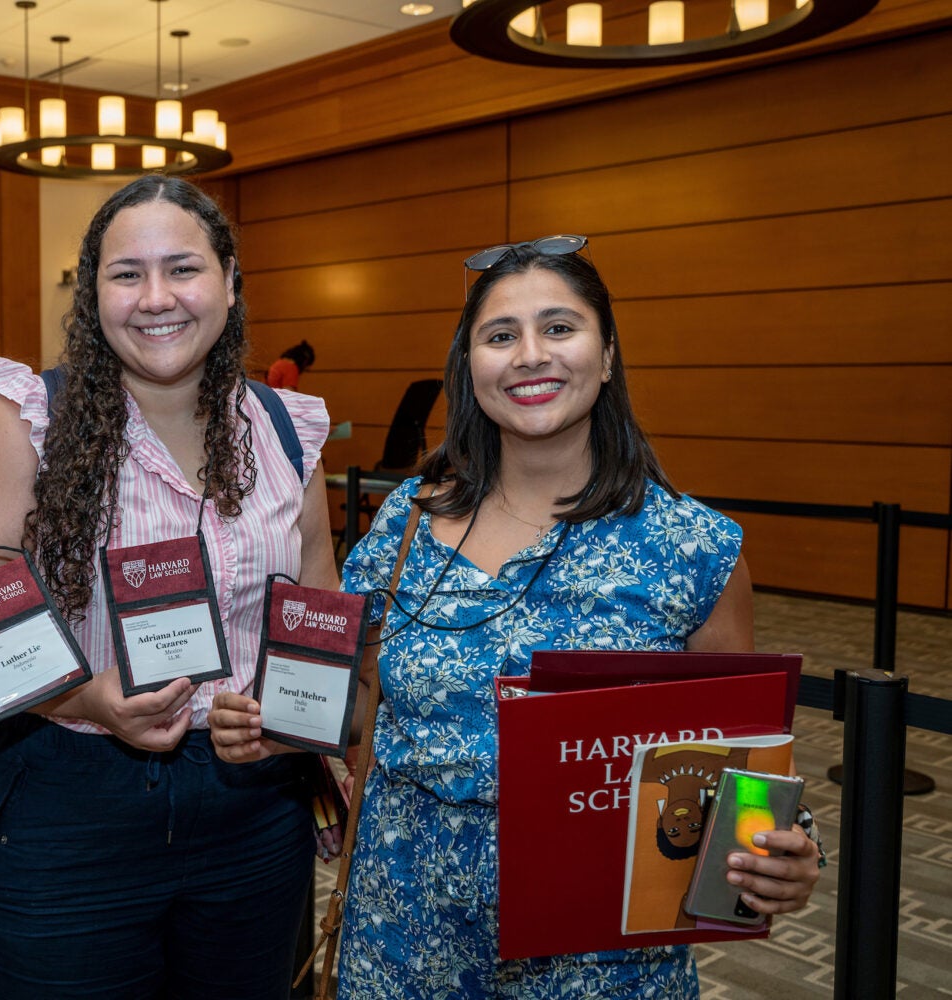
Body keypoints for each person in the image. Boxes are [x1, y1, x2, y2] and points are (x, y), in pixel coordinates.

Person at [211, 235, 822, 997]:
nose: (530, 354)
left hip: (600, 958)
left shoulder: (693, 551)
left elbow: (741, 764)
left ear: (606, 356)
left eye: (560, 328)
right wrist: (282, 722)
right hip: (403, 937)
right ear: (470, 369)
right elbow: (365, 708)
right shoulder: (405, 525)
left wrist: (782, 852)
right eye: (500, 336)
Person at [0, 174, 338, 999]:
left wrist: (301, 726)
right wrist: (83, 698)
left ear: (229, 281)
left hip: (250, 807)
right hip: (64, 805)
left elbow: (313, 615)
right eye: (126, 273)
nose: (156, 298)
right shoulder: (27, 418)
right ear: (92, 291)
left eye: (183, 269)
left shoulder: (288, 429)